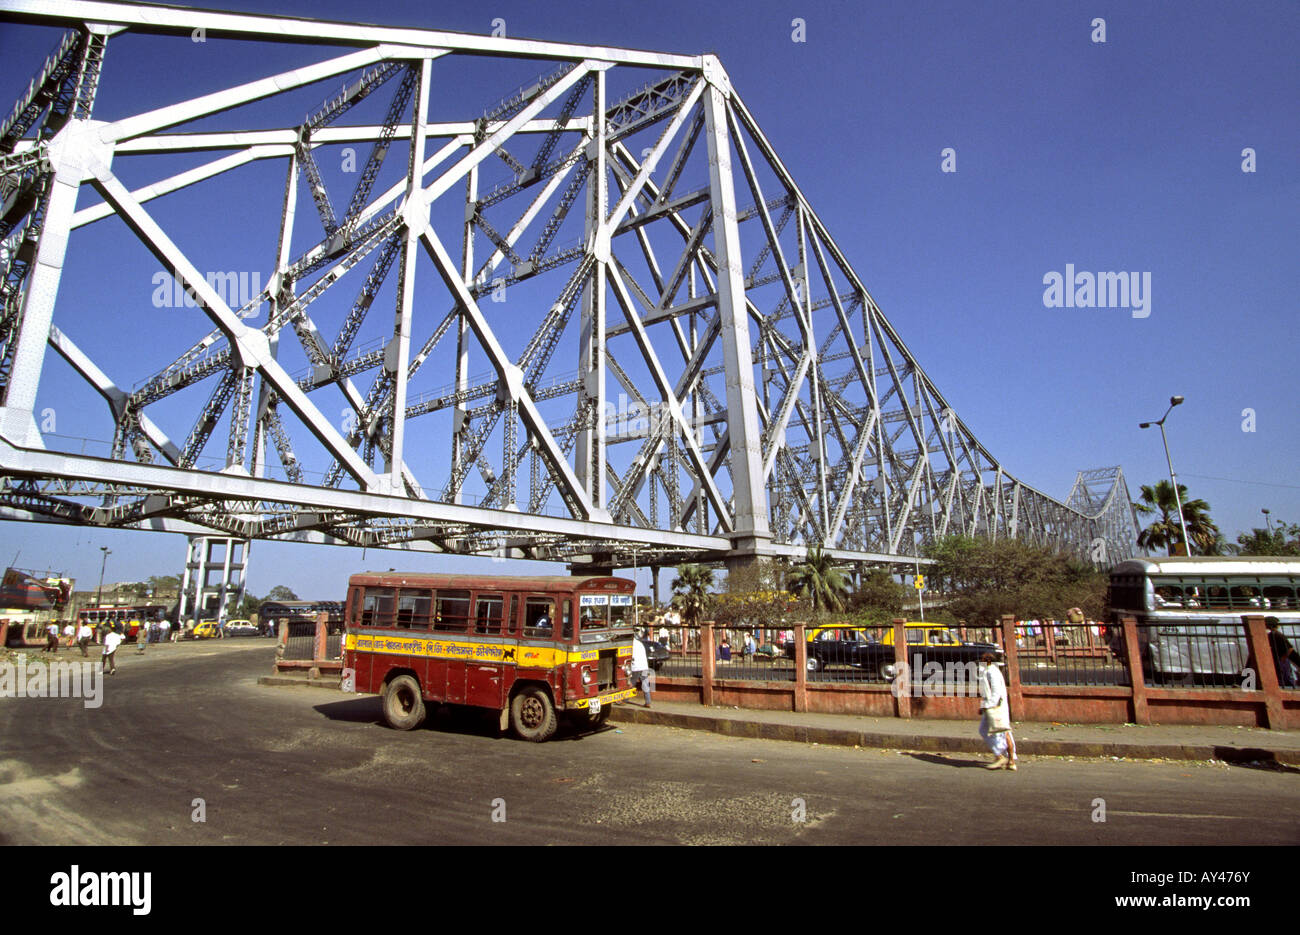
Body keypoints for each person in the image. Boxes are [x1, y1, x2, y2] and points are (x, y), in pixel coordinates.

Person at [978, 651, 1017, 770]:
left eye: (982, 660)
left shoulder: (991, 672)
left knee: (985, 730)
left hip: (995, 707)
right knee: (1005, 731)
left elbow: (995, 692)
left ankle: (999, 756)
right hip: (998, 706)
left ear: (987, 661)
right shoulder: (993, 671)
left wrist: (987, 706)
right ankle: (1011, 761)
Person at [1265, 618, 1300, 688]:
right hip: (1284, 657)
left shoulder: (1277, 635)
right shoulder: (1273, 634)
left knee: (1285, 675)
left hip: (1284, 658)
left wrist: (1282, 659)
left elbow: (1289, 649)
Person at [630, 636, 652, 707]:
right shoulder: (639, 643)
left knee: (631, 683)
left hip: (636, 667)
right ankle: (648, 702)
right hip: (644, 666)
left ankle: (624, 699)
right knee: (645, 684)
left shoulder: (630, 644)